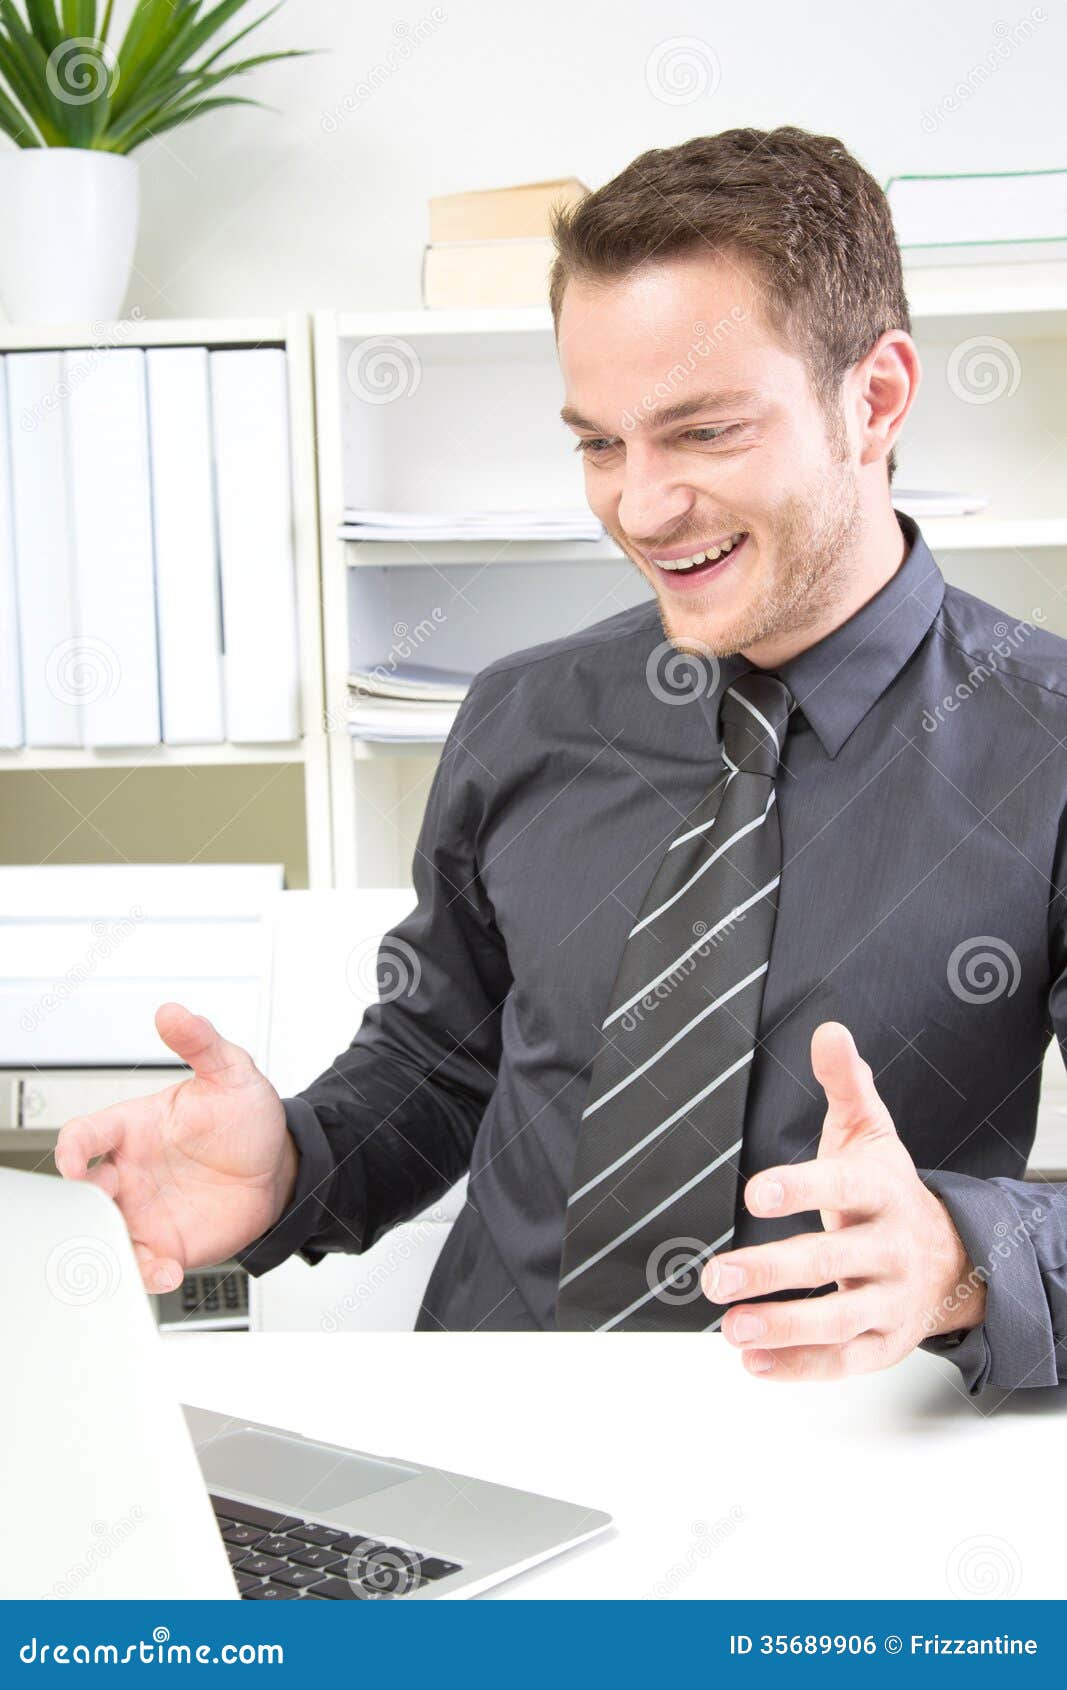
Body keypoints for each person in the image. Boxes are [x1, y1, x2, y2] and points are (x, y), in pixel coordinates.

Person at [56, 126, 1067, 1394]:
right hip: (484, 1429)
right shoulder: (524, 714)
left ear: (872, 400)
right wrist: (295, 1161)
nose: (639, 509)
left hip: (842, 1447)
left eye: (702, 434)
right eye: (599, 443)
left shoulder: (1043, 743)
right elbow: (441, 1065)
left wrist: (960, 1261)